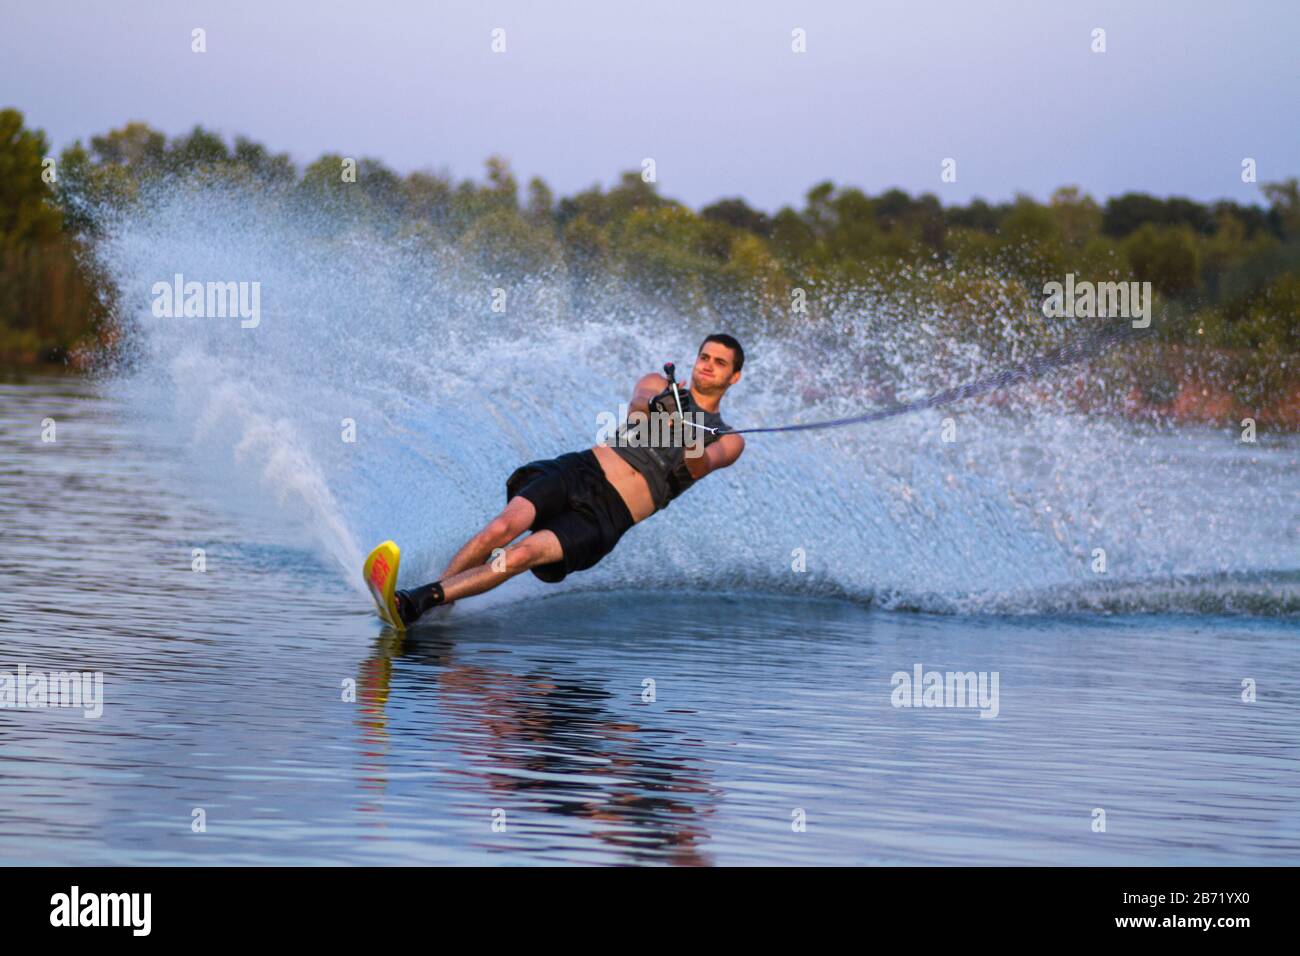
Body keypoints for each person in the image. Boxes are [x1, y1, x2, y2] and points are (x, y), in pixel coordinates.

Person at [393, 333, 746, 625]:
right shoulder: (658, 384)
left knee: (520, 555)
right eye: (704, 357)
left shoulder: (729, 438)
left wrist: (688, 430)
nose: (708, 365)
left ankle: (423, 599)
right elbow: (638, 410)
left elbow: (699, 466)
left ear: (734, 377)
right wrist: (662, 404)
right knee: (500, 530)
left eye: (719, 362)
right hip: (581, 471)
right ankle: (427, 602)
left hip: (609, 514)